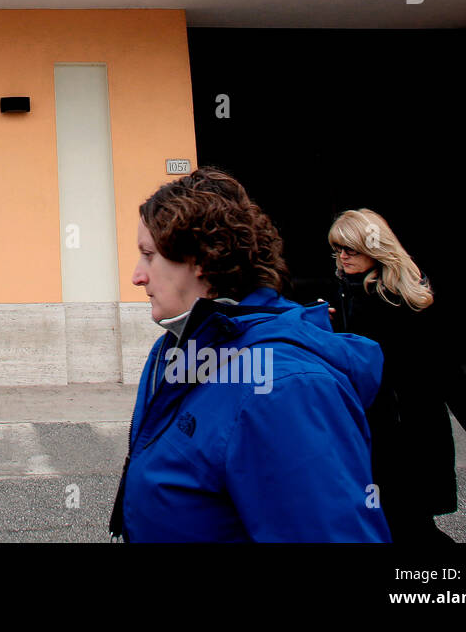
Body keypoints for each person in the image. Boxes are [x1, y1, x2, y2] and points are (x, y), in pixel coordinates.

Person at [109, 167, 391, 542]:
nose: (136, 276)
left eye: (148, 256)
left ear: (201, 261)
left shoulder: (285, 388)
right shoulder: (177, 348)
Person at [328, 208, 466, 543]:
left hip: (409, 439)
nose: (342, 256)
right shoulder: (342, 296)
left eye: (351, 249)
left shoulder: (403, 302)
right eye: (338, 248)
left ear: (375, 248)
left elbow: (449, 376)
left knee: (409, 529)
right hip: (365, 438)